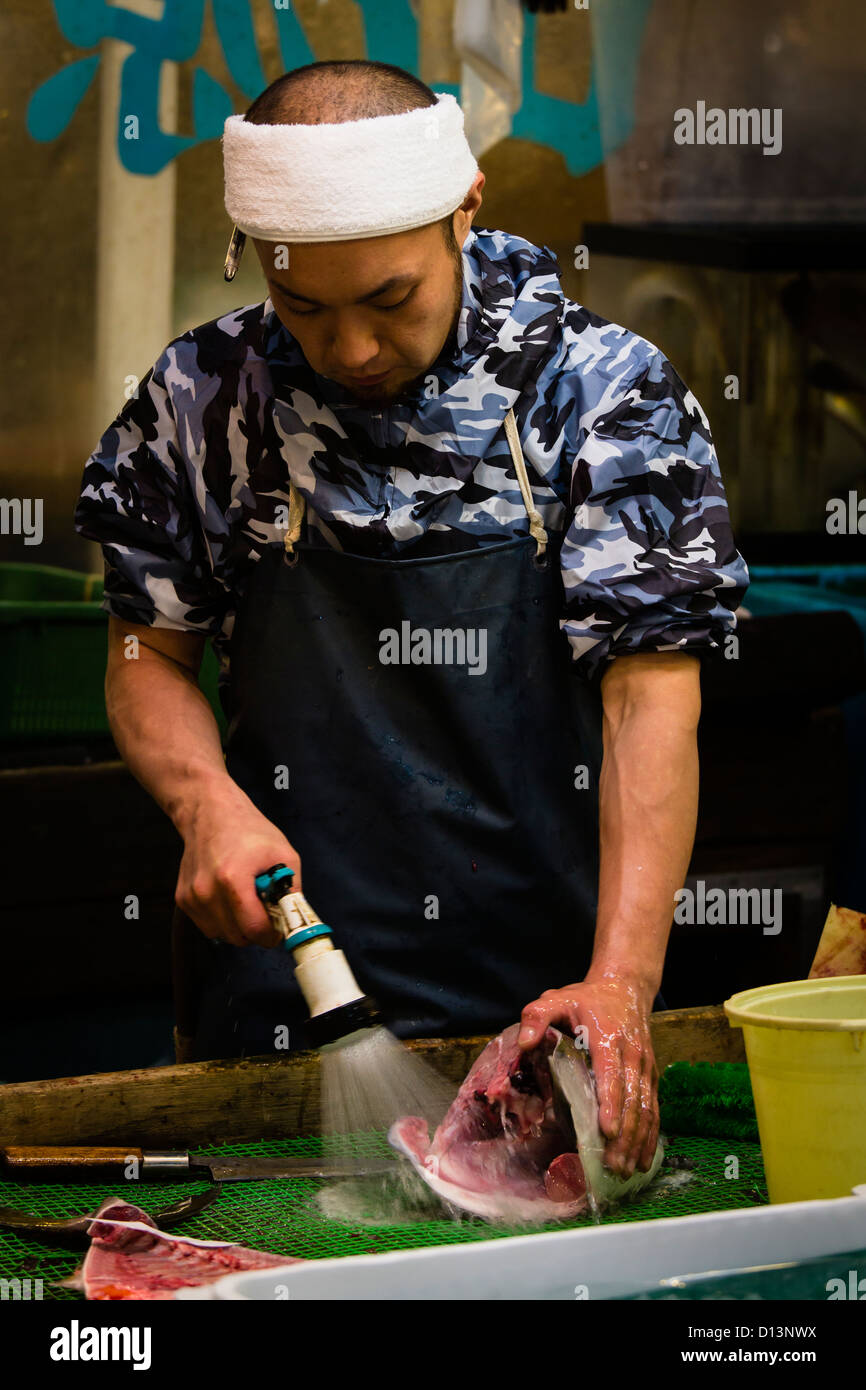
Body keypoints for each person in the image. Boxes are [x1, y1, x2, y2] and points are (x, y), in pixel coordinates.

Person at [74, 59, 748, 1180]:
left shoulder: (598, 394)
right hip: (285, 1000)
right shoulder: (200, 400)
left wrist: (621, 982)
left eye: (390, 300)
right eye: (305, 306)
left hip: (550, 1012)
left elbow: (648, 703)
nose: (347, 351)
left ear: (464, 212)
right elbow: (147, 650)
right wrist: (205, 803)